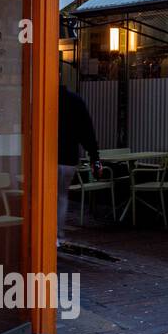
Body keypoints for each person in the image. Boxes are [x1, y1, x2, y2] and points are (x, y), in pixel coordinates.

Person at [59, 85, 100, 244]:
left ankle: (44, 233)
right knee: (62, 197)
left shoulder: (44, 99)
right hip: (69, 159)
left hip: (47, 158)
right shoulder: (75, 101)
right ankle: (58, 235)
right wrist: (94, 158)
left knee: (46, 197)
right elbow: (87, 131)